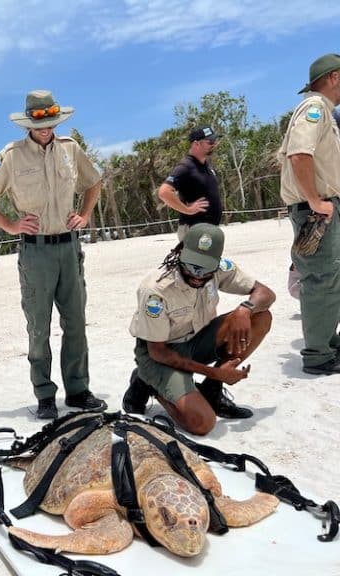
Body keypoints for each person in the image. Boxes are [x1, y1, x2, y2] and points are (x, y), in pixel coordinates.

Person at [0, 90, 106, 420]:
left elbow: (94, 182)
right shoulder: (12, 155)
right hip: (36, 254)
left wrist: (85, 215)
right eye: (39, 124)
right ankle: (45, 394)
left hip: (70, 248)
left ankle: (78, 391)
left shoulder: (70, 149)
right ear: (28, 124)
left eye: (50, 123)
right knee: (39, 328)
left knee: (75, 323)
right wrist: (10, 225)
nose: (45, 129)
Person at [122, 224, 275, 436]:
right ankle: (149, 384)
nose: (197, 274)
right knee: (202, 423)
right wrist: (215, 372)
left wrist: (245, 310)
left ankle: (212, 390)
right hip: (160, 353)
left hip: (197, 339)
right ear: (179, 252)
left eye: (205, 268)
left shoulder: (221, 268)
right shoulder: (155, 290)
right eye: (191, 265)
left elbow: (266, 294)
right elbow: (158, 351)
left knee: (261, 317)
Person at [278, 53, 340, 375]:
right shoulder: (314, 108)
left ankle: (329, 344)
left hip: (323, 207)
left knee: (330, 277)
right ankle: (318, 355)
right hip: (317, 210)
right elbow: (299, 155)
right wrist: (315, 201)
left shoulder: (325, 112)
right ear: (333, 77)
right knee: (320, 278)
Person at [157, 126, 222, 240]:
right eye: (210, 141)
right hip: (194, 230)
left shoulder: (205, 167)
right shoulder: (185, 167)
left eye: (214, 141)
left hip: (208, 231)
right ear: (196, 144)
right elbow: (164, 192)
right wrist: (187, 210)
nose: (214, 144)